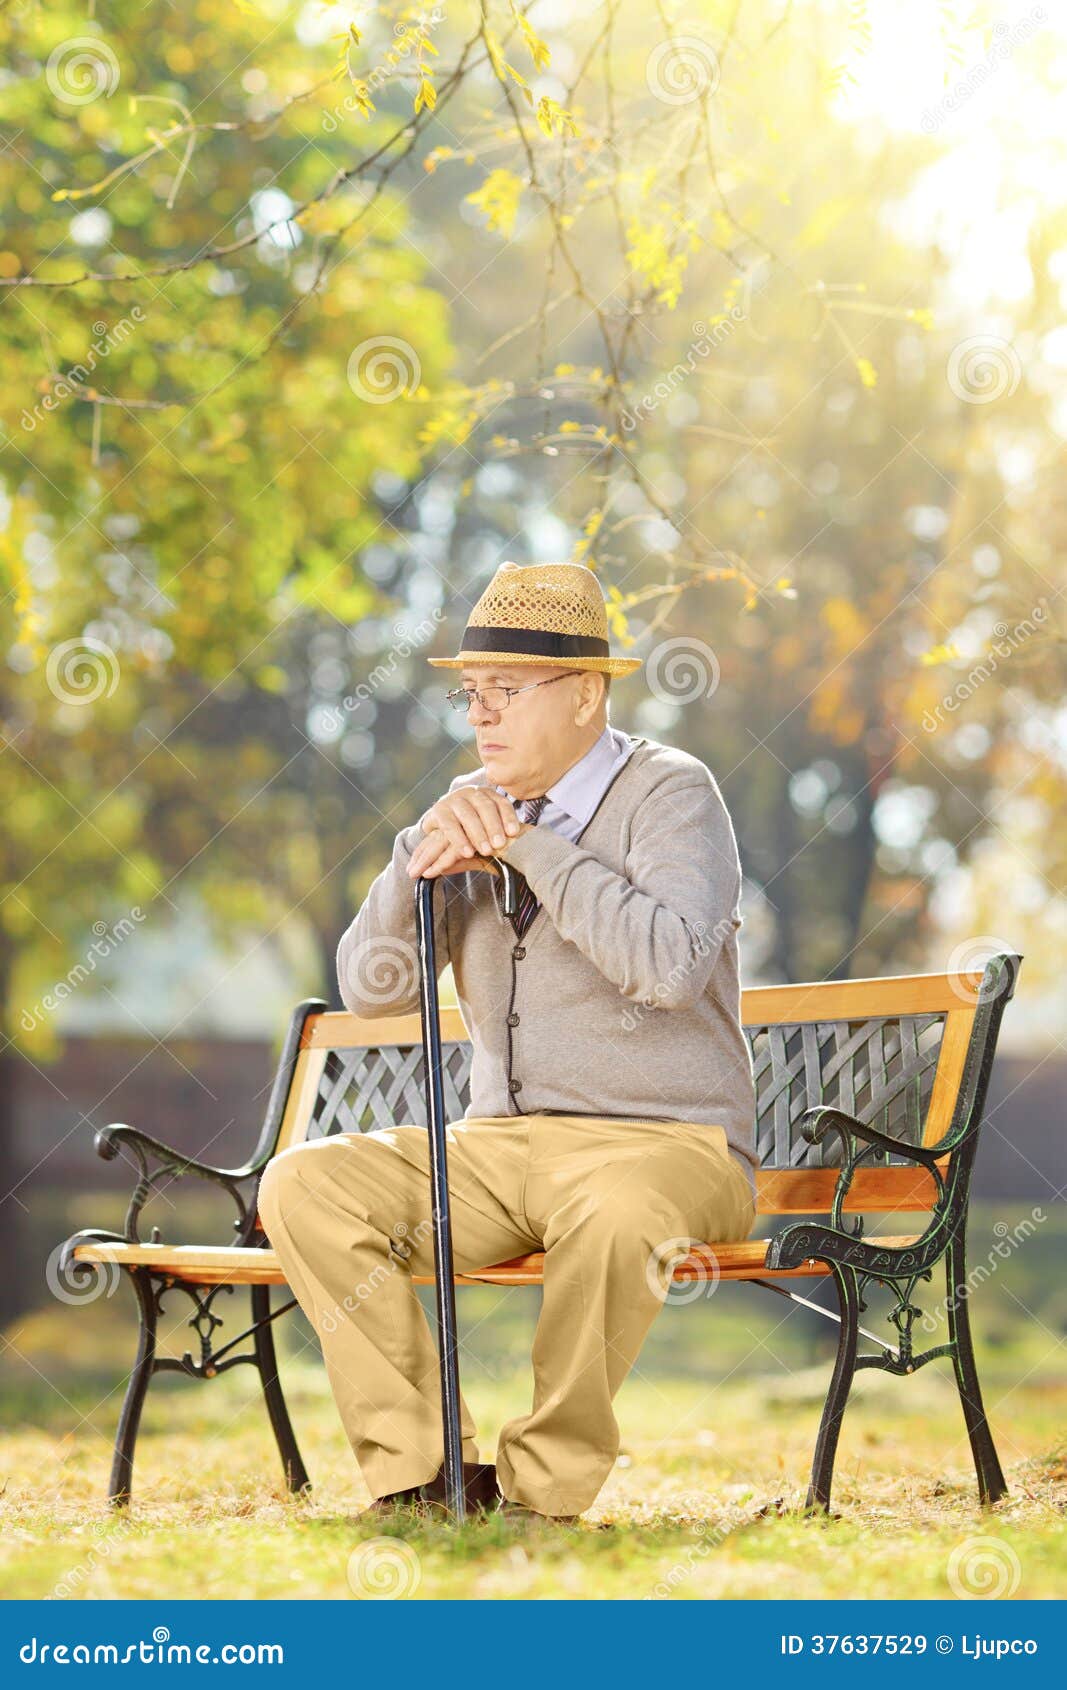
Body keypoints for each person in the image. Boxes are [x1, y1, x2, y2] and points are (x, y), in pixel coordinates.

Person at [256, 560, 759, 1524]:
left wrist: (528, 847)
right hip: (498, 1149)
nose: (481, 715)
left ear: (585, 695)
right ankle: (425, 1475)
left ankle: (542, 1492)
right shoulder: (467, 804)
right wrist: (416, 864)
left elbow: (666, 967)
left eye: (507, 690)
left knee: (615, 1210)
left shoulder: (671, 792)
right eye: (472, 692)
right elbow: (373, 993)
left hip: (669, 1145)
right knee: (304, 1184)